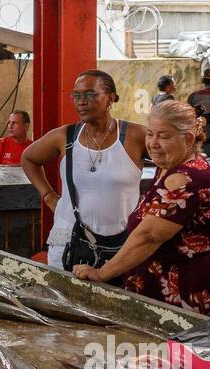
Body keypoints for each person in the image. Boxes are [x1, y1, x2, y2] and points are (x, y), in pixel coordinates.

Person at [72, 99, 210, 315]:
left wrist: (101, 274)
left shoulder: (184, 179)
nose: (152, 143)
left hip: (194, 291)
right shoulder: (169, 167)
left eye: (163, 136)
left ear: (188, 139)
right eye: (150, 133)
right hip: (170, 283)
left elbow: (149, 236)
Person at [22, 71, 147, 274]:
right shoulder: (65, 136)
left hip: (119, 243)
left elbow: (171, 160)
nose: (81, 101)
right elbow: (28, 158)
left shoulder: (134, 136)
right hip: (65, 238)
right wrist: (48, 196)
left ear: (111, 98)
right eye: (76, 95)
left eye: (89, 94)